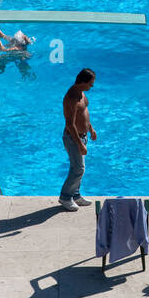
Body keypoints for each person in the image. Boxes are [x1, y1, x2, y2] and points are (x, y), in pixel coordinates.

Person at [60, 68, 97, 212]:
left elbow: (84, 113)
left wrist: (91, 129)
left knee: (77, 168)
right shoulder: (71, 98)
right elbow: (70, 124)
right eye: (90, 84)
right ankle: (65, 197)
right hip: (73, 138)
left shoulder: (82, 93)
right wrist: (80, 144)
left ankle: (75, 195)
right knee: (78, 169)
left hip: (83, 136)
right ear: (83, 82)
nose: (91, 86)